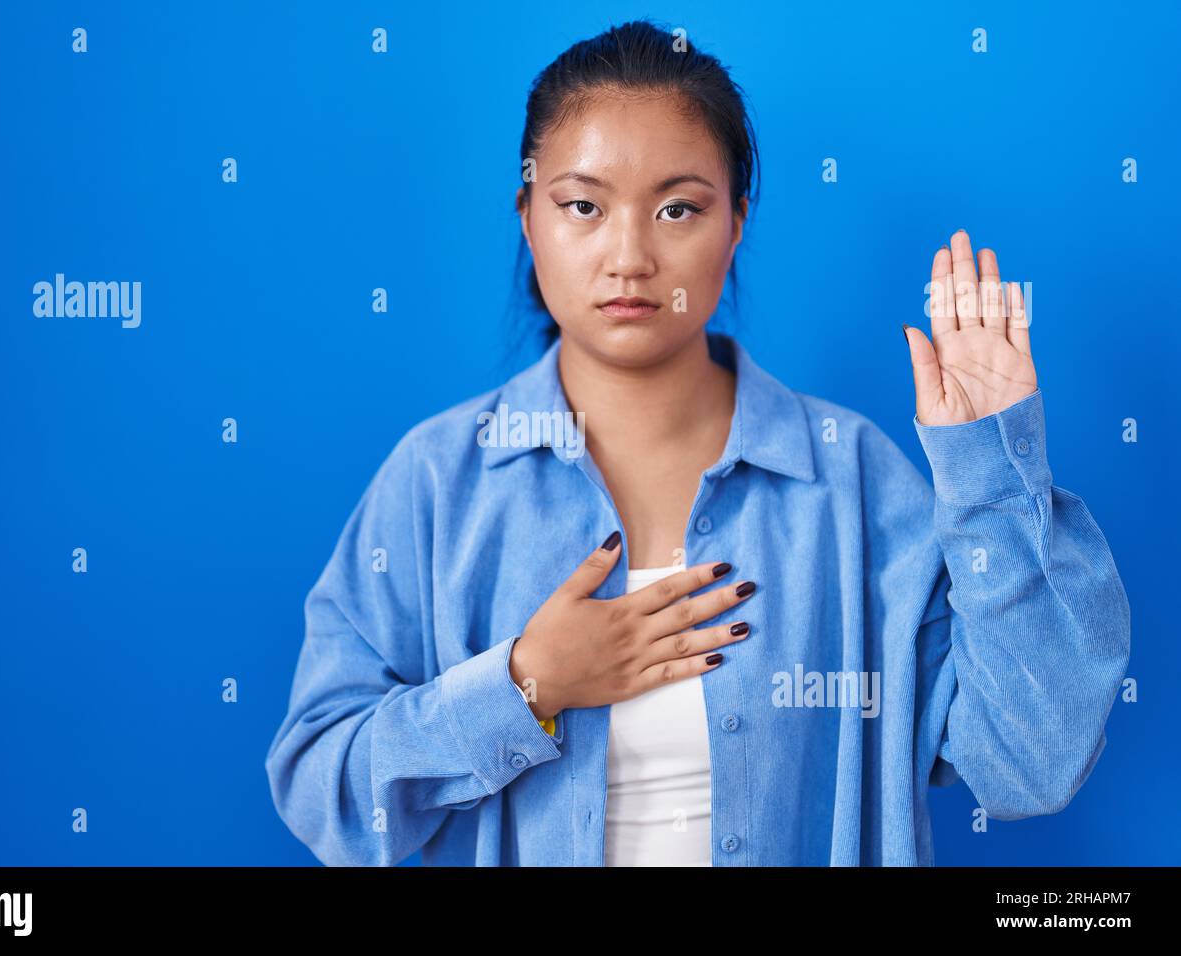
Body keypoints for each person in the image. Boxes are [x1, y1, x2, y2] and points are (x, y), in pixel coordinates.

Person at [264, 18, 1130, 866]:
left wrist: (992, 470)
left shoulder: (854, 477)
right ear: (528, 219)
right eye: (582, 206)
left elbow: (1030, 763)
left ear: (737, 222)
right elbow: (322, 795)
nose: (630, 256)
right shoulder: (436, 480)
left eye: (678, 207)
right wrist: (527, 684)